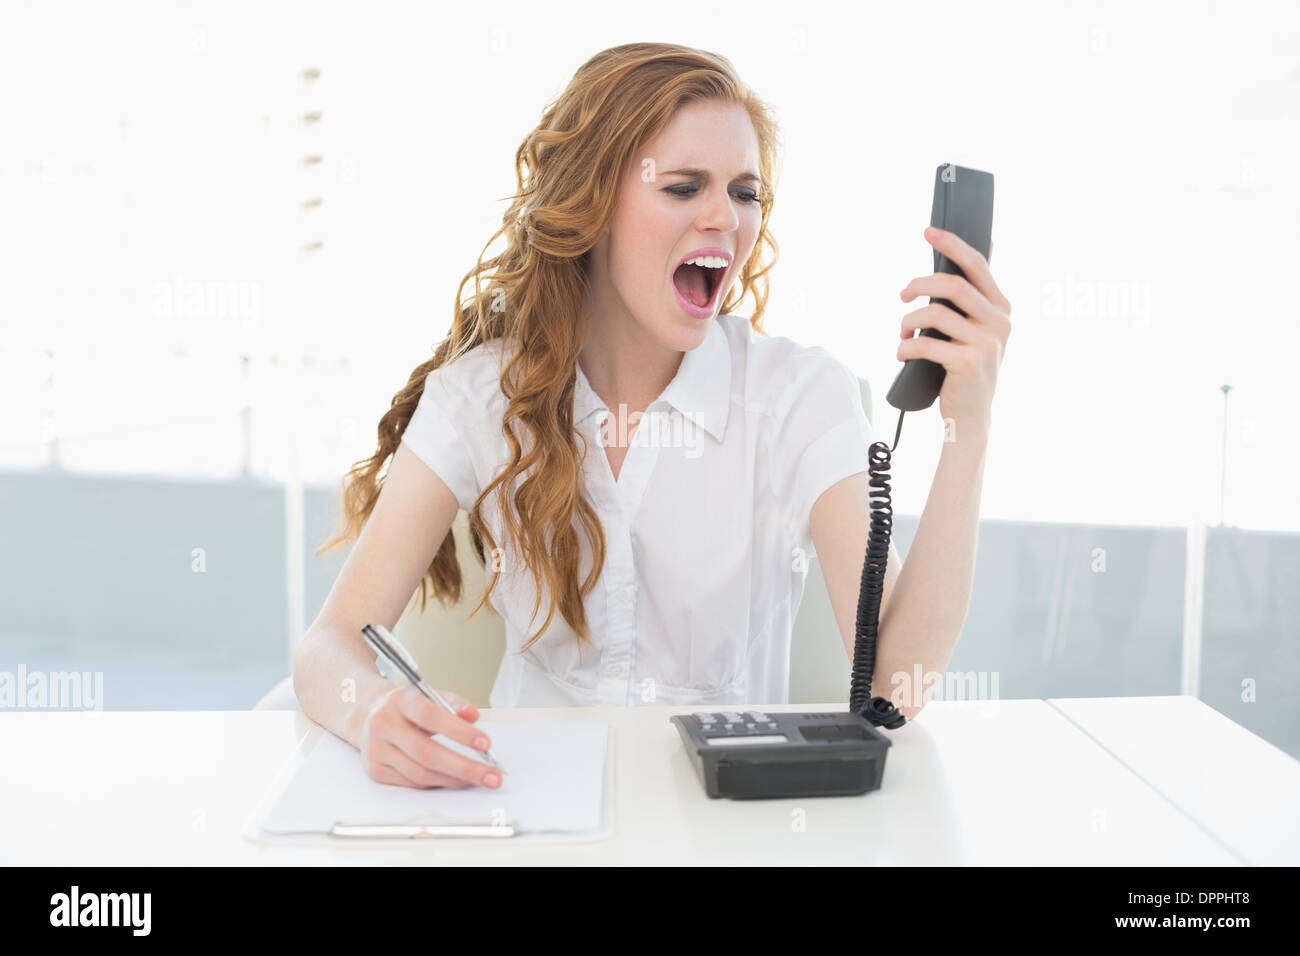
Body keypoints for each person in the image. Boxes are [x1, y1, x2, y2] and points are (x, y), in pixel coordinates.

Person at [293, 42, 1012, 790]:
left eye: (743, 193)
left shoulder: (798, 398)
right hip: (528, 809)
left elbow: (900, 685)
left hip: (728, 822)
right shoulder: (482, 396)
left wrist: (970, 430)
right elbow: (328, 647)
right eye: (682, 188)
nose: (725, 219)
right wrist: (369, 710)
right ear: (593, 205)